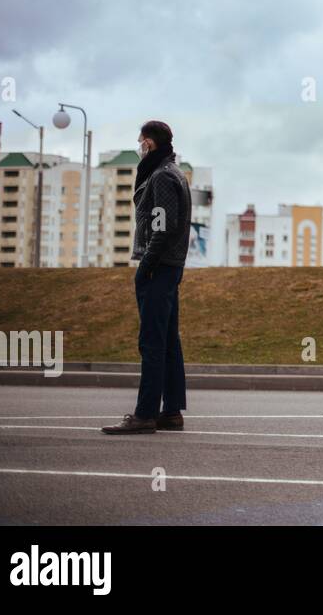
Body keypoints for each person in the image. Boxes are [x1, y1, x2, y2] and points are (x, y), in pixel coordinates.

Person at [103, 120, 191, 435]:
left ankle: (145, 415)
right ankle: (170, 412)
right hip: (168, 265)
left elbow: (164, 226)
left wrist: (147, 264)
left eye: (141, 141)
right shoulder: (170, 171)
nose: (139, 146)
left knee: (152, 341)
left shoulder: (163, 175)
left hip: (159, 266)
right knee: (167, 340)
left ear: (150, 143)